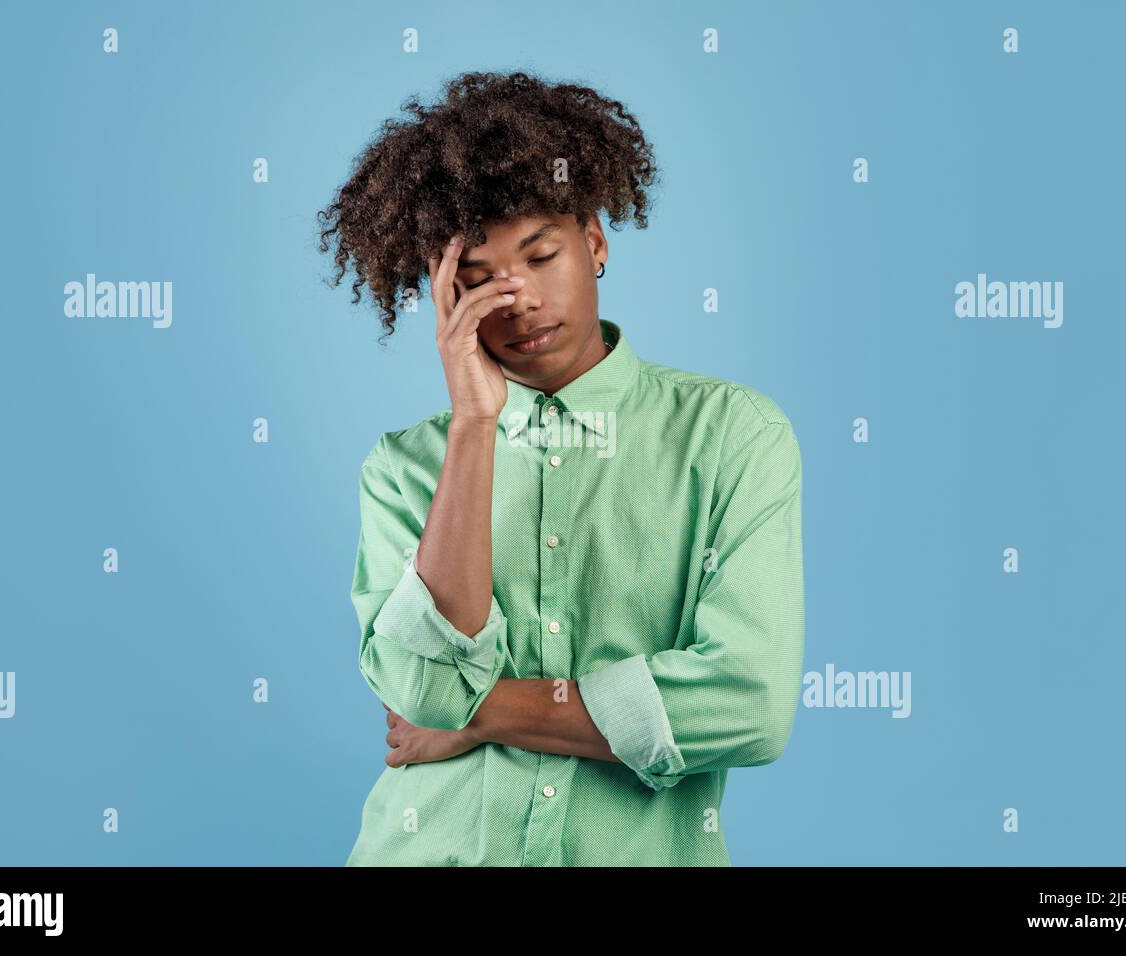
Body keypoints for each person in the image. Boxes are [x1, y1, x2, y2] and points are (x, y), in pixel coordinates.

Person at [318, 70, 804, 866]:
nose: (521, 301)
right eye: (476, 283)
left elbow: (749, 707)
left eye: (542, 256)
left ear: (596, 240)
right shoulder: (405, 469)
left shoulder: (733, 438)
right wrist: (475, 426)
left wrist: (480, 717)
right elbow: (424, 687)